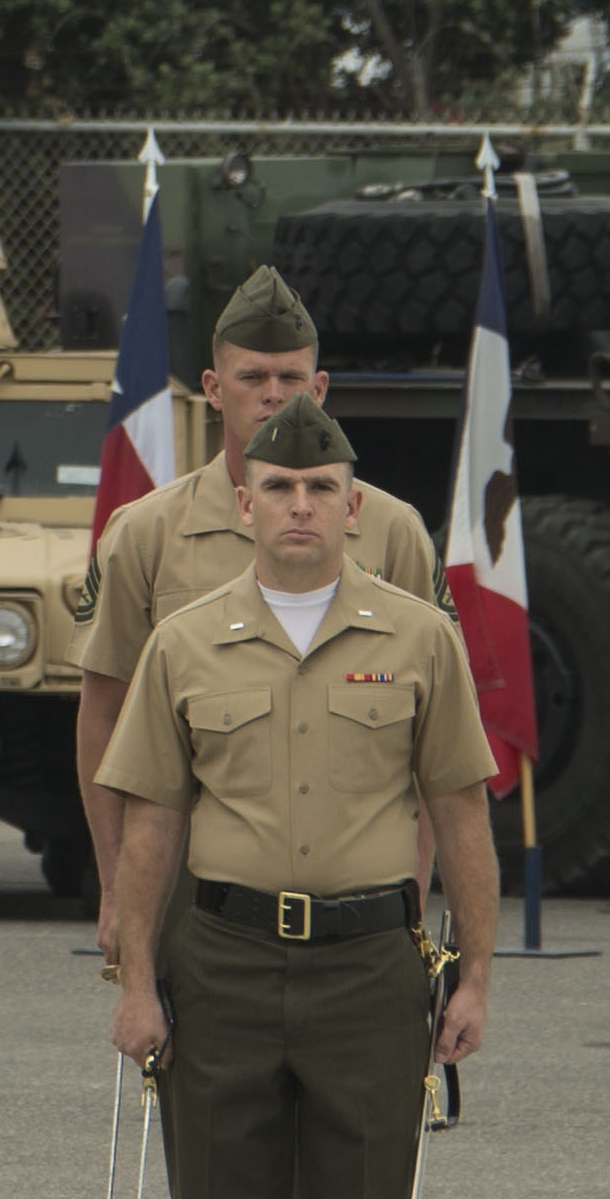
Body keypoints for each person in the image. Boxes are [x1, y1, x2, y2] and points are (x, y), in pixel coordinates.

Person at [99, 394, 497, 1199]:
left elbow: (460, 813)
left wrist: (475, 974)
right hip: (223, 961)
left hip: (368, 967)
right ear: (245, 504)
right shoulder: (187, 642)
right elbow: (151, 825)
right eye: (279, 487)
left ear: (353, 505)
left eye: (322, 488)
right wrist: (135, 978)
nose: (301, 506)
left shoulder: (418, 639)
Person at [78, 267, 441, 921]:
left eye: (291, 378)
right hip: (188, 888)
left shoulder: (392, 531)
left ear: (319, 389)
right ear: (214, 389)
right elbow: (103, 713)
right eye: (252, 378)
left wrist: (411, 892)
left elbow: (437, 735)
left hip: (359, 897)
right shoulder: (146, 533)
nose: (273, 395)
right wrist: (115, 887)